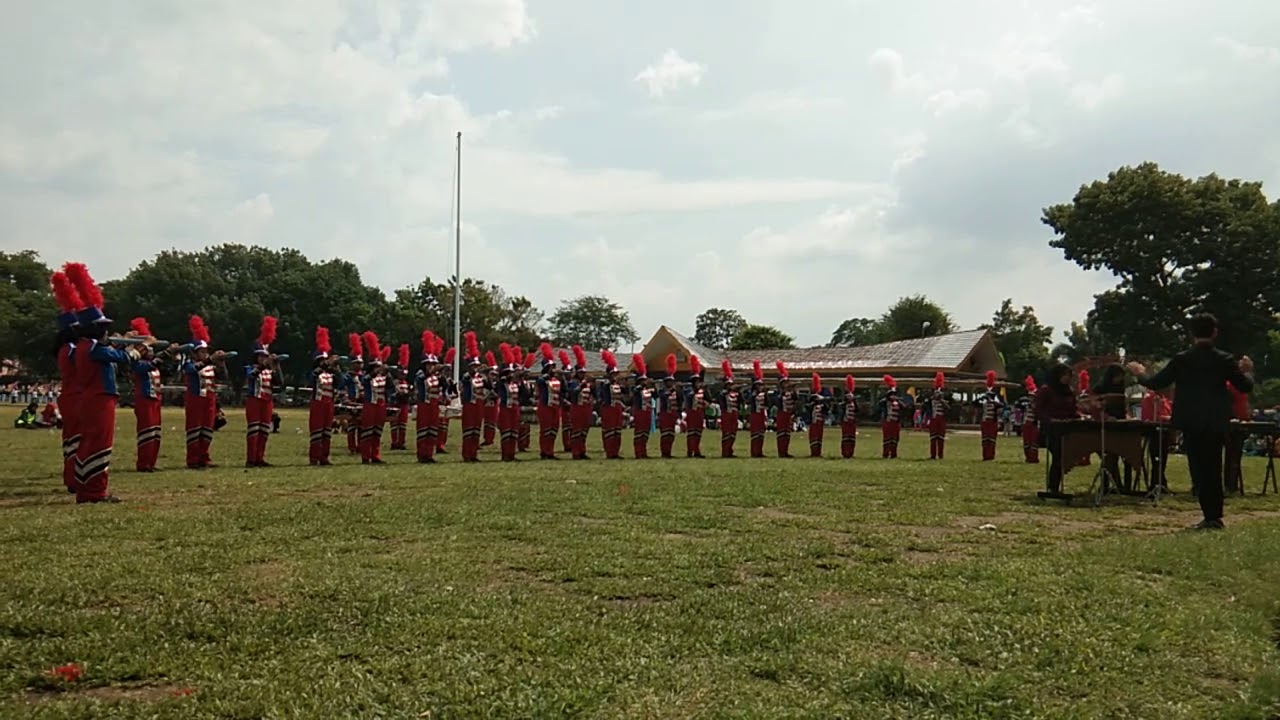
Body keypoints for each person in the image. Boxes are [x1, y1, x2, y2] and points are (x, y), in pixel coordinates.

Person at [1127, 313, 1254, 530]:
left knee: (1197, 466)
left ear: (1191, 333)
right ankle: (1214, 514)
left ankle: (1209, 513)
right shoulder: (1224, 359)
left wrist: (1140, 373)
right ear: (1214, 332)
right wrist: (1248, 371)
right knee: (1213, 465)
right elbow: (1245, 387)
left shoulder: (1182, 359)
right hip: (1215, 419)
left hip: (1190, 419)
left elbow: (1157, 383)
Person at [64, 262, 139, 504]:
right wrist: (138, 349)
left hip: (91, 398)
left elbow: (110, 353)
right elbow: (122, 358)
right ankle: (95, 491)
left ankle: (86, 488)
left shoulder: (85, 347)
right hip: (100, 398)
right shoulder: (94, 347)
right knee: (100, 444)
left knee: (89, 442)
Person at [182, 316, 223, 469]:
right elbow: (192, 370)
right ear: (194, 353)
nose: (205, 354)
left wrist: (221, 362)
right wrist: (209, 360)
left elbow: (222, 376)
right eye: (201, 351)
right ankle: (192, 459)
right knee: (194, 428)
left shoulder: (209, 365)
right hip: (195, 399)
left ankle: (204, 457)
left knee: (207, 429)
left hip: (209, 400)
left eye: (206, 351)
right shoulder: (189, 363)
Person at [1035, 364, 1082, 495]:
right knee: (1059, 456)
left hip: (1067, 428)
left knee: (1063, 457)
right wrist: (1050, 420)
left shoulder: (1069, 391)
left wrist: (1080, 416)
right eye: (1065, 375)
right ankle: (1053, 487)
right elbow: (1038, 410)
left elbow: (1073, 411)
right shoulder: (1046, 390)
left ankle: (1055, 486)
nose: (1067, 378)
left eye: (1069, 375)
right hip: (1051, 430)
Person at [129, 318, 168, 472]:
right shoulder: (137, 363)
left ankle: (152, 461)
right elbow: (149, 365)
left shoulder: (152, 364)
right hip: (144, 398)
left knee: (155, 431)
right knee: (146, 431)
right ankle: (143, 463)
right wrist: (166, 353)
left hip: (155, 398)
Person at [243, 316, 280, 468]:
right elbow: (251, 376)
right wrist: (262, 366)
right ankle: (251, 458)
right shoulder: (250, 368)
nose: (263, 358)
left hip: (267, 401)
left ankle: (260, 457)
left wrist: (276, 366)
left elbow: (279, 383)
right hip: (254, 400)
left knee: (264, 430)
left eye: (265, 356)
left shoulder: (269, 370)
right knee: (254, 429)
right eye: (261, 356)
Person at [308, 327, 338, 466]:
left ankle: (324, 457)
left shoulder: (331, 373)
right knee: (317, 432)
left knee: (327, 432)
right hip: (318, 403)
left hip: (329, 403)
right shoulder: (315, 373)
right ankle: (314, 457)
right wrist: (322, 366)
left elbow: (341, 382)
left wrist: (336, 368)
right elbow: (311, 379)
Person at [1139, 386, 1173, 490]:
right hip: (1155, 432)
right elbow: (1148, 417)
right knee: (1156, 459)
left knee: (1163, 460)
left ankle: (1161, 482)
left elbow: (1169, 412)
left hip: (1165, 431)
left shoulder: (1165, 399)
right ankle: (1155, 483)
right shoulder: (1150, 399)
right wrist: (1165, 417)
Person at [1224, 370, 1252, 494]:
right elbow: (1227, 402)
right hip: (1231, 423)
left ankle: (1232, 484)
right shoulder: (1229, 385)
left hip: (1242, 421)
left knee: (1235, 456)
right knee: (1232, 455)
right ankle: (1230, 484)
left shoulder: (1243, 386)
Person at [597, 351, 627, 459]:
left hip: (617, 409)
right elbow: (603, 396)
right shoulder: (605, 384)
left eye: (616, 374)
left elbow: (623, 395)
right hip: (608, 409)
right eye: (613, 374)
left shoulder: (617, 385)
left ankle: (615, 451)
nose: (615, 376)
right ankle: (609, 452)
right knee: (609, 431)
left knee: (617, 431)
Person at [656, 354, 680, 459]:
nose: (671, 383)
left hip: (673, 414)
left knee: (671, 434)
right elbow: (662, 396)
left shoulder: (675, 392)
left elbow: (679, 401)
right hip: (665, 415)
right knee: (665, 435)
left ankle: (669, 452)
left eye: (672, 382)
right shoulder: (662, 391)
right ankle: (664, 452)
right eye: (669, 382)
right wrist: (671, 391)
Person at [975, 371, 1002, 461]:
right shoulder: (984, 403)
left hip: (992, 423)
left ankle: (991, 456)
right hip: (985, 422)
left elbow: (1002, 405)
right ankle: (985, 456)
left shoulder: (996, 403)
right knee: (985, 440)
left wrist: (993, 401)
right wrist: (981, 398)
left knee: (992, 440)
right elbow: (974, 404)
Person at [629, 356, 653, 458]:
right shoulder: (637, 390)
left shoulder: (648, 389)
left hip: (647, 412)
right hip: (640, 412)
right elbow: (634, 393)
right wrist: (640, 386)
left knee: (645, 433)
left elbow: (655, 396)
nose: (645, 381)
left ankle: (644, 451)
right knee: (639, 433)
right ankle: (638, 452)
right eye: (643, 380)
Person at [773, 363, 797, 458]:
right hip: (781, 414)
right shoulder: (779, 393)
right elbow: (776, 401)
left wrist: (793, 390)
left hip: (788, 414)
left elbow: (796, 399)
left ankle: (785, 451)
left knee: (787, 433)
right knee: (781, 433)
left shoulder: (790, 393)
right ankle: (781, 452)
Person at [718, 361, 741, 458]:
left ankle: (730, 450)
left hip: (734, 414)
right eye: (728, 385)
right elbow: (721, 401)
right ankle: (725, 451)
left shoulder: (735, 394)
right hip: (726, 414)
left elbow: (740, 402)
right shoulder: (722, 394)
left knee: (733, 433)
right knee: (726, 433)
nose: (730, 386)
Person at [746, 361, 768, 458]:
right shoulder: (752, 394)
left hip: (762, 414)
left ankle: (760, 451)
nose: (760, 387)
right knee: (755, 434)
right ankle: (754, 452)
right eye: (758, 385)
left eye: (761, 385)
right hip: (755, 415)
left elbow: (767, 403)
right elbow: (748, 400)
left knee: (761, 434)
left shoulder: (764, 394)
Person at [878, 375, 903, 458]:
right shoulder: (885, 402)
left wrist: (898, 400)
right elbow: (880, 404)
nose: (893, 395)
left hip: (896, 423)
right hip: (887, 422)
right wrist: (888, 398)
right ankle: (885, 453)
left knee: (895, 439)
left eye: (894, 394)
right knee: (887, 439)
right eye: (892, 394)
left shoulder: (898, 402)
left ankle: (893, 454)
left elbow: (905, 408)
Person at [925, 372, 949, 460]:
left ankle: (940, 455)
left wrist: (942, 400)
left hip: (941, 420)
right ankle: (933, 455)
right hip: (933, 420)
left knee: (941, 438)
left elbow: (948, 409)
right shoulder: (930, 401)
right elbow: (925, 406)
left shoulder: (944, 402)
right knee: (933, 438)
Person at [1018, 377, 1040, 463]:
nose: (1030, 398)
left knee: (1033, 443)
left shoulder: (1037, 405)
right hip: (1026, 424)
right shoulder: (1026, 404)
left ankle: (1033, 458)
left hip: (1034, 425)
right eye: (1030, 396)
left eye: (1032, 396)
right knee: (1026, 443)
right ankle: (1027, 457)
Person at [805, 374, 828, 457]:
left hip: (820, 422)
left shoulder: (822, 404)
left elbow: (826, 410)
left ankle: (818, 452)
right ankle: (813, 452)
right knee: (814, 437)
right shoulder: (811, 404)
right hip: (813, 422)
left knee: (819, 438)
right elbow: (808, 408)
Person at [838, 375, 858, 458]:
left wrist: (855, 402)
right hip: (846, 422)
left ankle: (851, 453)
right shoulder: (843, 405)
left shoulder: (854, 404)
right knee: (845, 438)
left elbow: (857, 411)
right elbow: (841, 409)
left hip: (852, 423)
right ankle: (845, 453)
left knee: (852, 438)